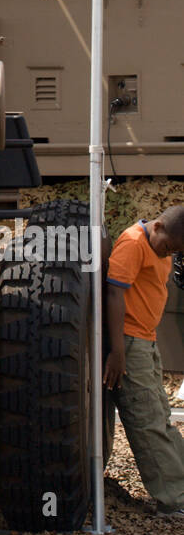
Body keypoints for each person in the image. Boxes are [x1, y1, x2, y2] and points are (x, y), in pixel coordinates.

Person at [104, 205, 184, 517]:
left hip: (145, 339)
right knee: (146, 420)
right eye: (169, 246)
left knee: (161, 416)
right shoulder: (134, 243)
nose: (170, 254)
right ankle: (172, 499)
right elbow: (114, 294)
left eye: (176, 251)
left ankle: (179, 486)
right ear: (159, 226)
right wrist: (117, 351)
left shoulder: (160, 247)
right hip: (129, 341)